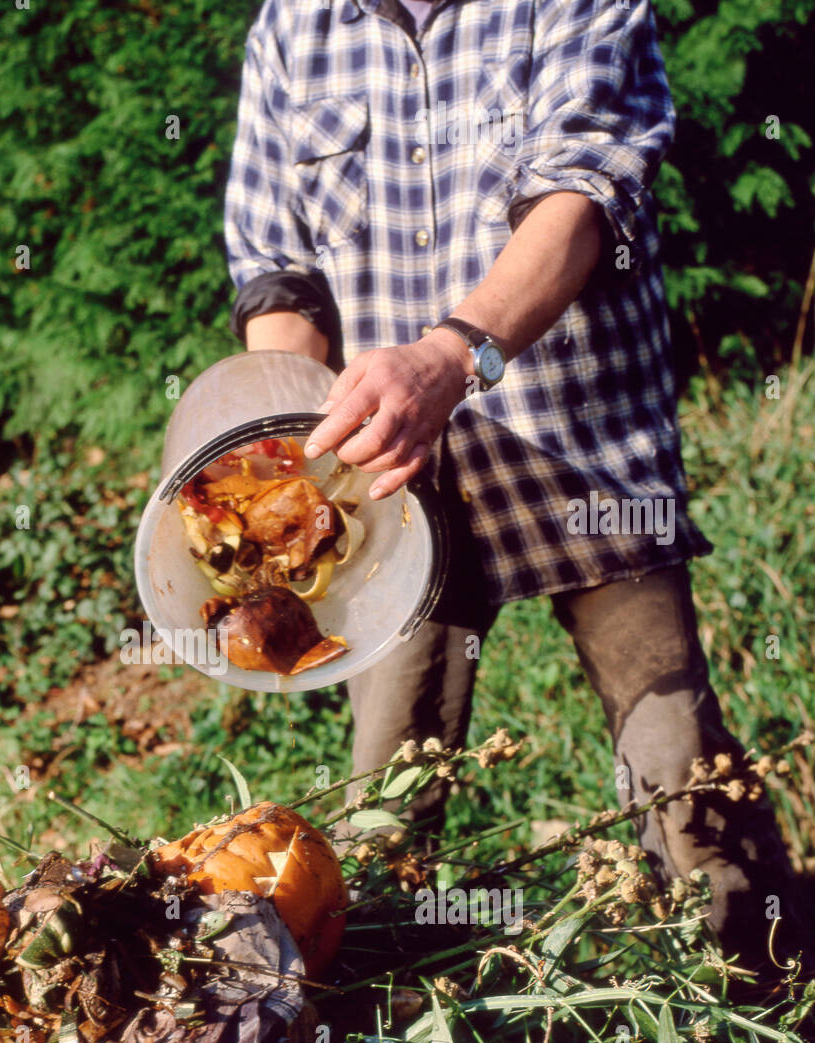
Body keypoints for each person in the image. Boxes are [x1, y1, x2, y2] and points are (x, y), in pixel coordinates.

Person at [223, 0, 811, 978]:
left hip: (580, 446)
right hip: (386, 483)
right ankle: (395, 1031)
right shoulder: (294, 25)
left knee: (677, 762)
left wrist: (447, 358)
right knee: (385, 799)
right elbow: (276, 275)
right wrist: (290, 452)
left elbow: (578, 205)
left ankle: (759, 987)